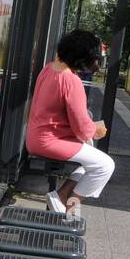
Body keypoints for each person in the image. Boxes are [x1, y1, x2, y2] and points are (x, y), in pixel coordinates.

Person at [27, 30, 114, 215]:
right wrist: (96, 129)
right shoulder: (71, 81)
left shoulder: (49, 68)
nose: (95, 64)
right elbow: (82, 128)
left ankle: (62, 196)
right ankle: (68, 207)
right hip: (50, 142)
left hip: (36, 136)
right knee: (105, 166)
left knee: (92, 163)